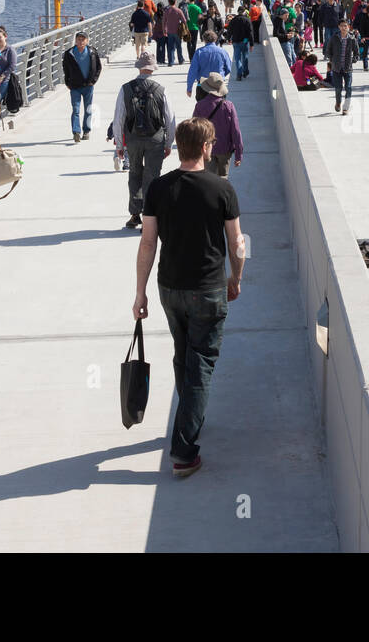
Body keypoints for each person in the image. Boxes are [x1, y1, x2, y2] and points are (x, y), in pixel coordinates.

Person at [135, 116, 244, 478]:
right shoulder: (222, 188)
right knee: (201, 365)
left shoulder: (158, 188)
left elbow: (147, 242)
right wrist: (236, 277)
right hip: (208, 289)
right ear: (206, 147)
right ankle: (183, 451)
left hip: (169, 288)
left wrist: (140, 293)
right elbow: (237, 244)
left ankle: (189, 414)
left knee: (184, 355)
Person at [114, 52, 178, 230]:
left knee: (134, 173)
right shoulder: (161, 89)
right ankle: (150, 218)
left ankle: (135, 215)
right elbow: (170, 119)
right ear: (152, 68)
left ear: (139, 67)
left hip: (133, 139)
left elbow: (119, 118)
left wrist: (120, 144)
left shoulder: (125, 88)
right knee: (153, 177)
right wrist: (168, 143)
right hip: (155, 139)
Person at [193, 73, 243, 177]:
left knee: (209, 179)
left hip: (206, 148)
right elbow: (236, 131)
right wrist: (239, 153)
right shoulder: (228, 106)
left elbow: (194, 129)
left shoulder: (199, 105)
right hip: (225, 149)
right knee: (223, 179)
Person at [62, 31, 103, 142]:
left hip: (88, 86)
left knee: (88, 109)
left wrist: (93, 81)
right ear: (75, 41)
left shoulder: (92, 52)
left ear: (87, 41)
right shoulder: (69, 53)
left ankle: (86, 131)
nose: (81, 41)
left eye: (83, 39)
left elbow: (99, 67)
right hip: (74, 87)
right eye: (79, 39)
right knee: (75, 109)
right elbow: (65, 69)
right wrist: (68, 83)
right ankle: (76, 132)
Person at [323, 17, 362, 114]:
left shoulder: (352, 39)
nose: (344, 28)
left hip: (348, 68)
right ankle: (338, 102)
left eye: (346, 26)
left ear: (348, 27)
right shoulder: (334, 38)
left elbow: (357, 53)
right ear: (339, 27)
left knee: (348, 87)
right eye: (342, 26)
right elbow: (328, 51)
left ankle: (346, 108)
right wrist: (332, 59)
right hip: (336, 68)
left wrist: (353, 60)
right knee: (338, 88)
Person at [186, 30, 233, 98]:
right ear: (215, 39)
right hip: (218, 85)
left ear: (204, 40)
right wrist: (221, 76)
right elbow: (228, 68)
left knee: (202, 107)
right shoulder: (222, 51)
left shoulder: (199, 52)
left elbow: (193, 71)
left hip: (202, 86)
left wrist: (189, 88)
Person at [226, 5, 253, 80]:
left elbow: (229, 30)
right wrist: (251, 44)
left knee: (237, 59)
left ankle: (239, 74)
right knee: (245, 57)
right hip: (244, 41)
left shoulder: (233, 20)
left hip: (235, 42)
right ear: (244, 12)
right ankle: (245, 71)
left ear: (238, 12)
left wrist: (228, 39)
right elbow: (250, 33)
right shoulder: (247, 20)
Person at [0, 26, 17, 104]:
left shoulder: (10, 50)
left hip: (3, 81)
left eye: (0, 37)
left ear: (5, 37)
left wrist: (2, 76)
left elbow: (12, 66)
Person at [162, 0, 188, 67]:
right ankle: (180, 60)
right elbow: (184, 20)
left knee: (170, 47)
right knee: (179, 46)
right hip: (178, 31)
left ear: (169, 2)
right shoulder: (178, 10)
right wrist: (186, 29)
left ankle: (171, 62)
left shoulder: (166, 11)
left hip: (169, 31)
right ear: (175, 2)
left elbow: (164, 21)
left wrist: (164, 30)